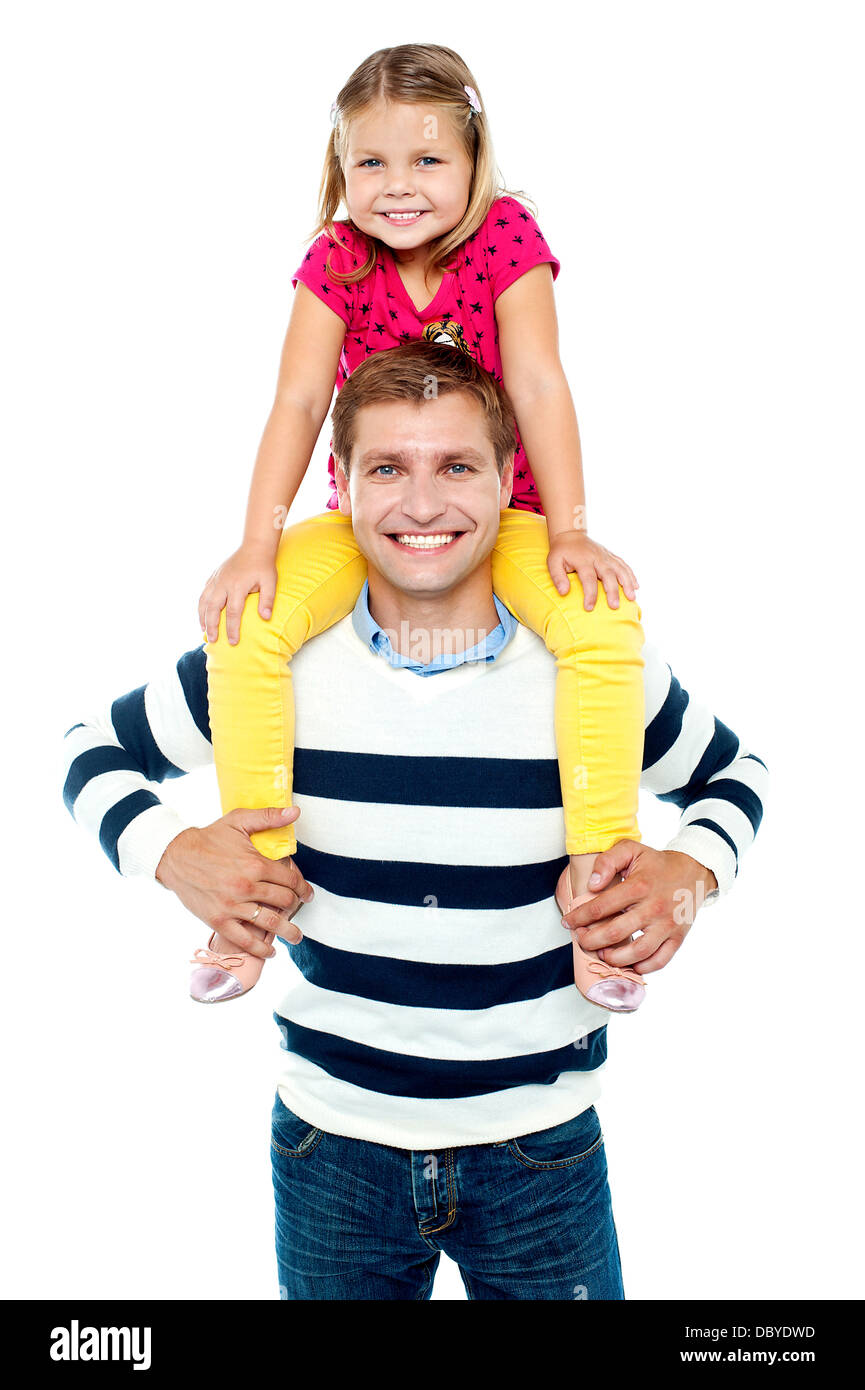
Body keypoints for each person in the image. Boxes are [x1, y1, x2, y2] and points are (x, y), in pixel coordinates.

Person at [62, 344, 767, 1300]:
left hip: (542, 1160)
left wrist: (690, 875)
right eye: (387, 468)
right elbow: (83, 748)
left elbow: (736, 775)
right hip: (328, 1153)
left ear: (510, 481)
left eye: (457, 467)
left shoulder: (595, 677)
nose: (422, 504)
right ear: (340, 487)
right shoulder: (265, 668)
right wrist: (171, 852)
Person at [195, 43, 646, 1001]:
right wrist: (256, 543)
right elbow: (296, 400)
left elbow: (536, 382)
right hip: (367, 526)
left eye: (428, 159)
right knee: (248, 623)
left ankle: (602, 906)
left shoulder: (507, 239)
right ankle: (252, 896)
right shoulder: (335, 257)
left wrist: (565, 529)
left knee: (601, 626)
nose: (398, 187)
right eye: (372, 163)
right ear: (340, 171)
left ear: (475, 161)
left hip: (497, 519)